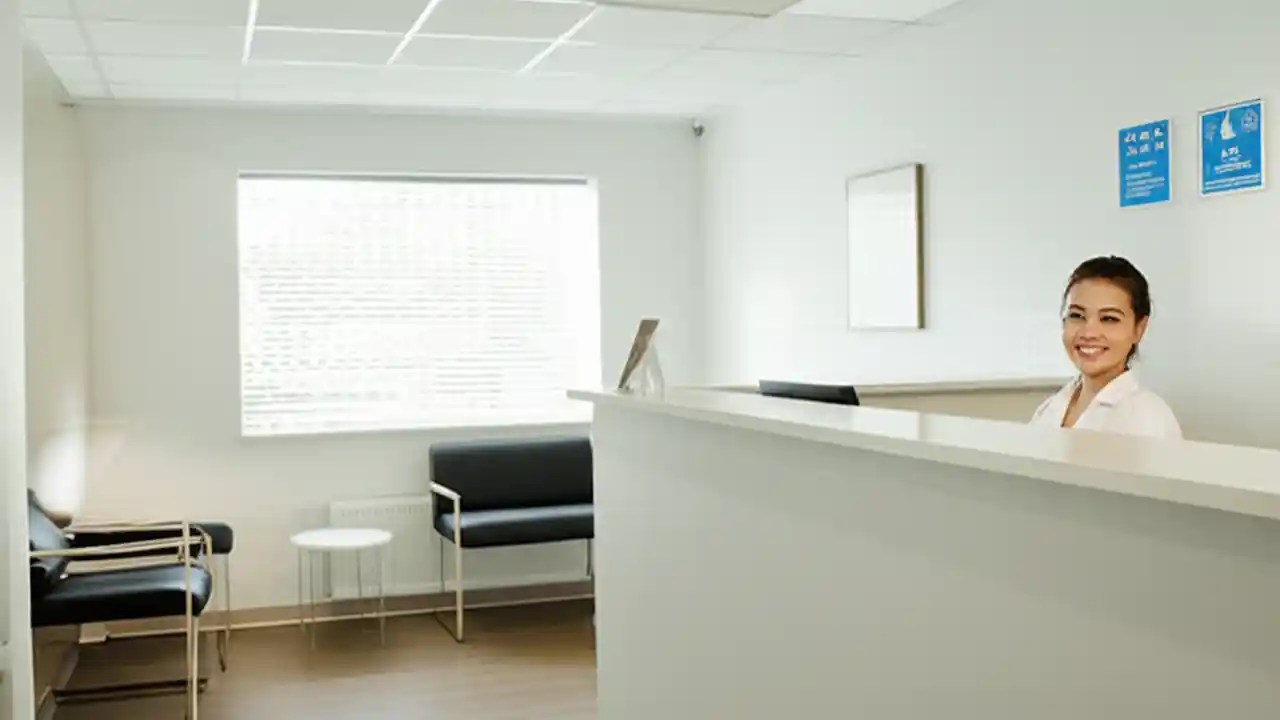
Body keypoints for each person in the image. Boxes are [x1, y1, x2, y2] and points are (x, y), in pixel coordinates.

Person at [1031, 256, 1182, 439]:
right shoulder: (1049, 408)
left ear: (1139, 329)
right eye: (1077, 316)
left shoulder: (1148, 417)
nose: (1089, 333)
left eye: (1109, 319)